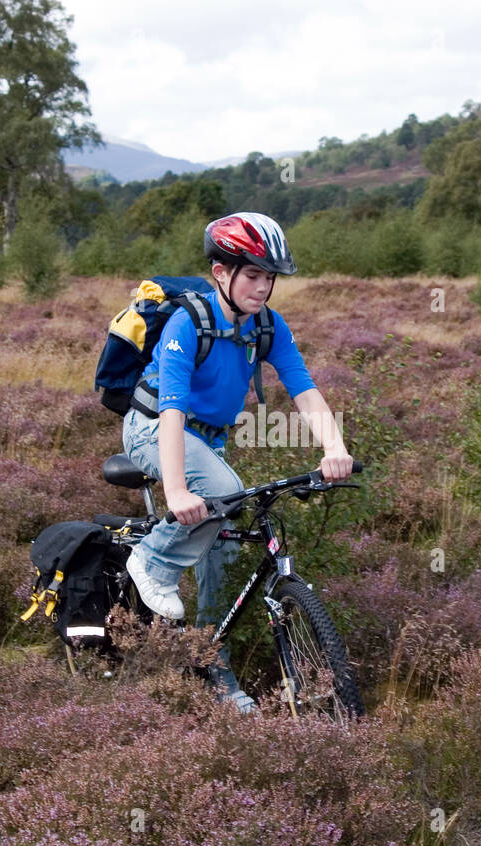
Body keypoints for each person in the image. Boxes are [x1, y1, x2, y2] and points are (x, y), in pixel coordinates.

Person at [121, 212, 353, 713]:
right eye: (253, 274)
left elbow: (304, 389)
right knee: (223, 492)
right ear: (221, 273)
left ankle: (210, 662)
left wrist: (334, 448)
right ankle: (152, 560)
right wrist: (180, 492)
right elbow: (172, 409)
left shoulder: (267, 326)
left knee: (222, 554)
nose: (263, 287)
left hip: (210, 439)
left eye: (269, 277)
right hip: (152, 427)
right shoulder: (189, 323)